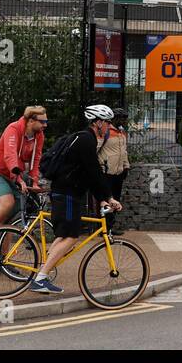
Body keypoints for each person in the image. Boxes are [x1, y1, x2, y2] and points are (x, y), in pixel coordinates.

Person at [30, 104, 123, 295]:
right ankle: (40, 279)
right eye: (106, 122)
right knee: (71, 237)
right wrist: (108, 196)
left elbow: (88, 174)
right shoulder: (86, 141)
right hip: (69, 195)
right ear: (98, 122)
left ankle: (42, 272)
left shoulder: (81, 138)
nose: (108, 126)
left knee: (63, 236)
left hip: (65, 192)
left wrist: (102, 199)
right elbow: (94, 172)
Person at [0, 106, 47, 234]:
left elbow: (36, 158)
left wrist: (34, 181)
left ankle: (5, 254)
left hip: (13, 176)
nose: (45, 125)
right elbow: (10, 155)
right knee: (7, 203)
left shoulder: (39, 135)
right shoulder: (13, 129)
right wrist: (18, 179)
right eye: (42, 122)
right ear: (31, 121)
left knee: (11, 217)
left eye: (46, 122)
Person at [98, 107, 131, 236]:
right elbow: (97, 149)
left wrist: (126, 166)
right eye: (121, 118)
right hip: (106, 172)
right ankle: (103, 227)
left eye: (125, 118)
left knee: (115, 200)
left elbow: (124, 151)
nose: (124, 120)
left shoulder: (122, 133)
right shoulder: (106, 131)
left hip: (118, 172)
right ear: (115, 118)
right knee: (106, 200)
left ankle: (110, 227)